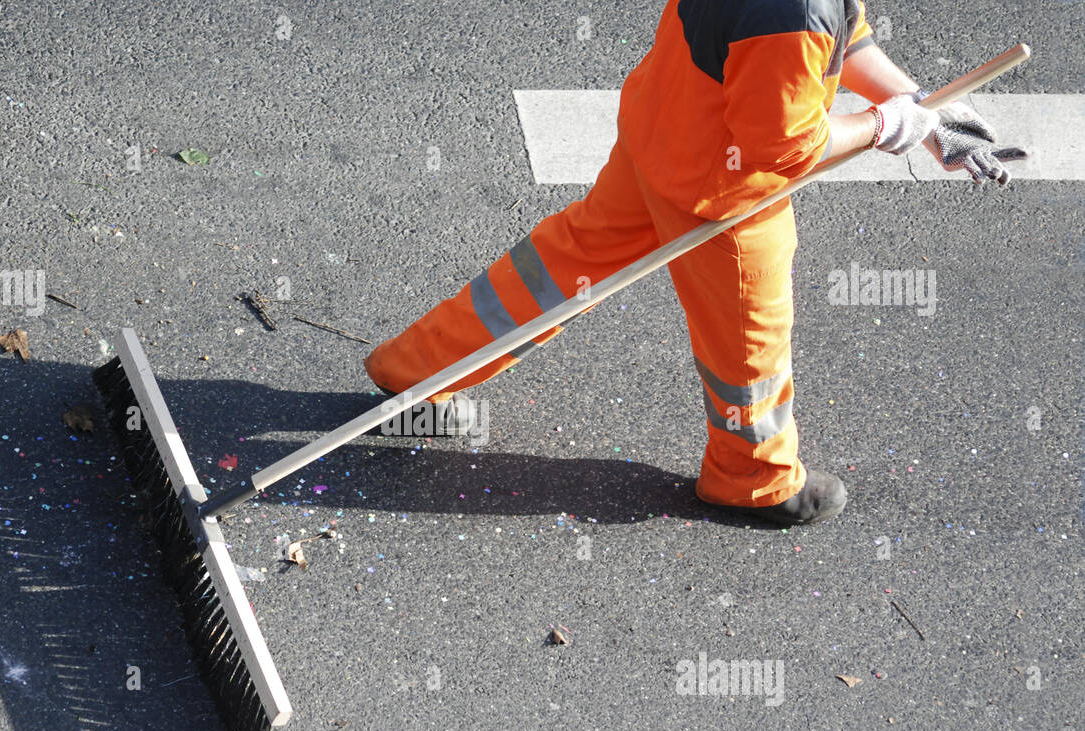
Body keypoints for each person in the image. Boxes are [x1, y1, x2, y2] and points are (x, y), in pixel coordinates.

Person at [364, 0, 1027, 525]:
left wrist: (923, 107)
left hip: (663, 130)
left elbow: (843, 34)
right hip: (723, 197)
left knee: (563, 263)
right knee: (748, 347)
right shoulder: (791, 12)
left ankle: (420, 369)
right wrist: (890, 127)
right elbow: (783, 146)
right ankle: (753, 479)